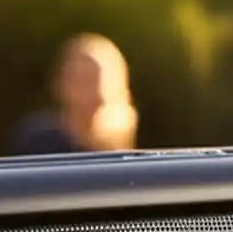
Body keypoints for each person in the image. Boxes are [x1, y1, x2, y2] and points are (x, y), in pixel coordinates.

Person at [10, 34, 138, 155]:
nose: (87, 92)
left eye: (94, 80)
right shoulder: (37, 139)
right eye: (79, 80)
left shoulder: (125, 139)